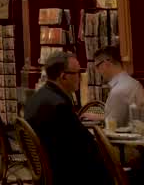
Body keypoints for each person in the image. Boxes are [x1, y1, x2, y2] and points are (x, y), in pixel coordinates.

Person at [24, 52, 112, 184]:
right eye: (77, 73)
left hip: (46, 171)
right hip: (67, 174)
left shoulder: (37, 97)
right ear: (63, 76)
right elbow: (86, 146)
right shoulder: (58, 105)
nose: (80, 78)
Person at [85, 45, 144, 127]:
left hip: (126, 138)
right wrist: (100, 117)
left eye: (97, 66)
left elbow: (114, 125)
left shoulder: (119, 90)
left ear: (106, 63)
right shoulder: (133, 83)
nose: (97, 71)